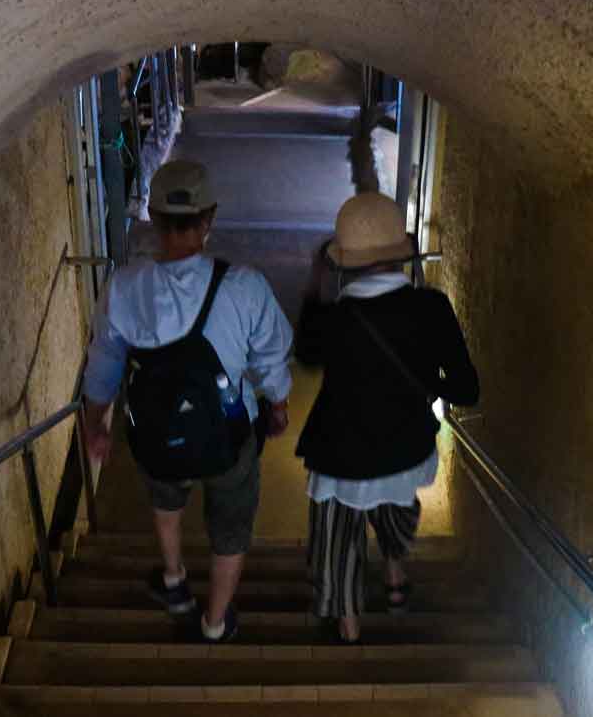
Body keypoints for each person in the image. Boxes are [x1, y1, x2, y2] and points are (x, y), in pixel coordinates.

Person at [82, 160, 293, 643]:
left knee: (166, 494)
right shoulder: (244, 286)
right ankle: (215, 622)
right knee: (231, 526)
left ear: (153, 218)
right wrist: (278, 407)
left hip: (158, 437)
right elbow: (271, 358)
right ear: (209, 218)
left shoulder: (124, 287)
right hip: (229, 438)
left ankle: (175, 580)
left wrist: (96, 424)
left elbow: (104, 364)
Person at [294, 192, 479, 644]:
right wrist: (422, 381)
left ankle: (349, 624)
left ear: (343, 264)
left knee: (339, 529)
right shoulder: (432, 308)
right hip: (404, 448)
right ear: (401, 254)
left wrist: (315, 285)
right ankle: (395, 575)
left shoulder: (333, 318)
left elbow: (306, 355)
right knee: (395, 502)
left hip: (341, 453)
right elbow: (466, 390)